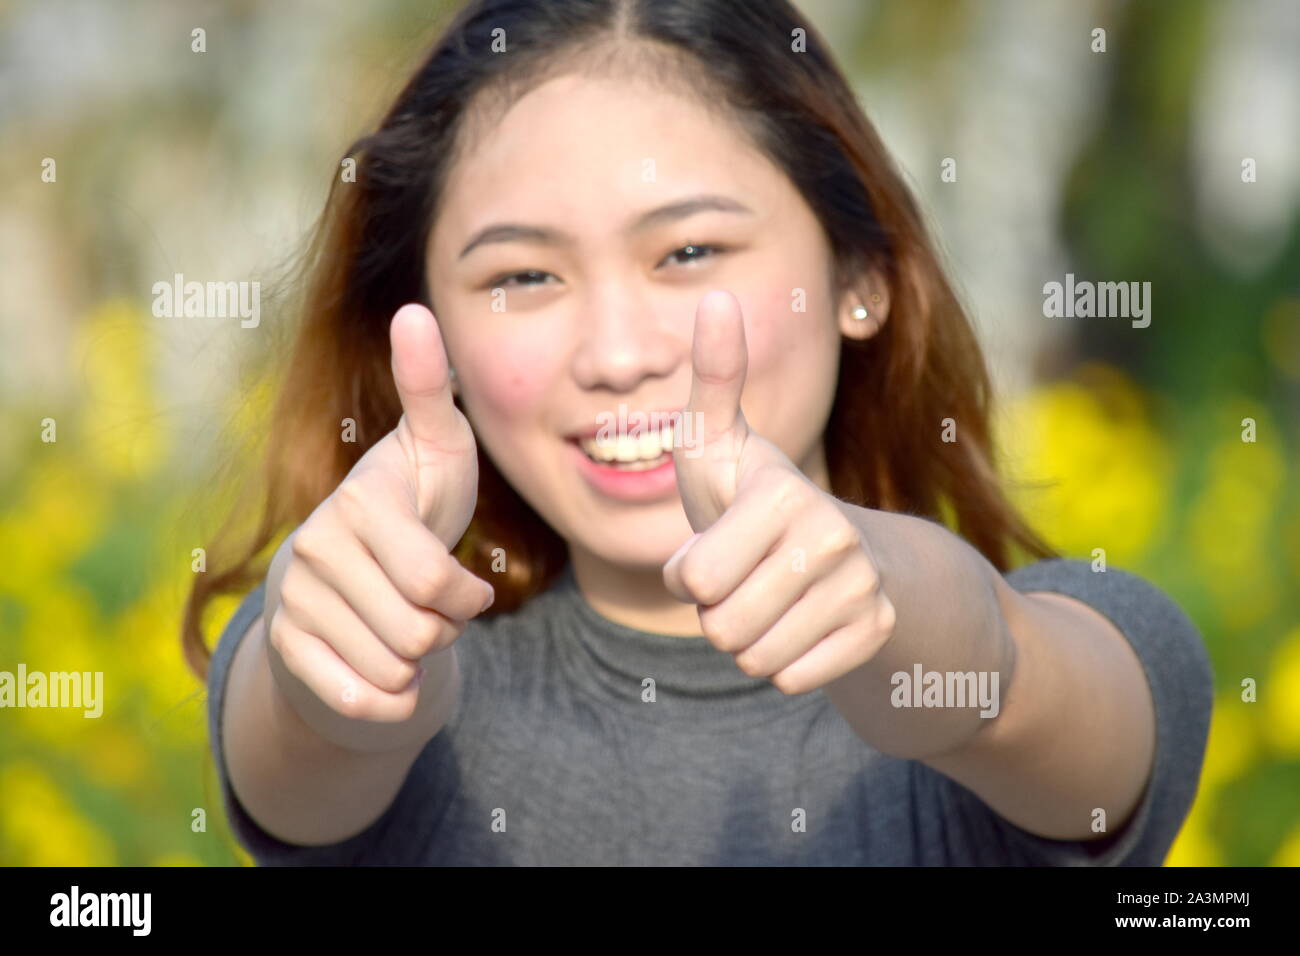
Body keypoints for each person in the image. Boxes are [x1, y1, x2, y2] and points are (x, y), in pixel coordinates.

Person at [184, 0, 1213, 865]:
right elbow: (301, 747)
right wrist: (354, 678)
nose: (618, 351)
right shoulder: (344, 644)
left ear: (862, 278)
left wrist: (896, 603)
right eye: (523, 275)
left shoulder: (1073, 645)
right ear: (433, 330)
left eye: (686, 251)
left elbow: (1020, 681)